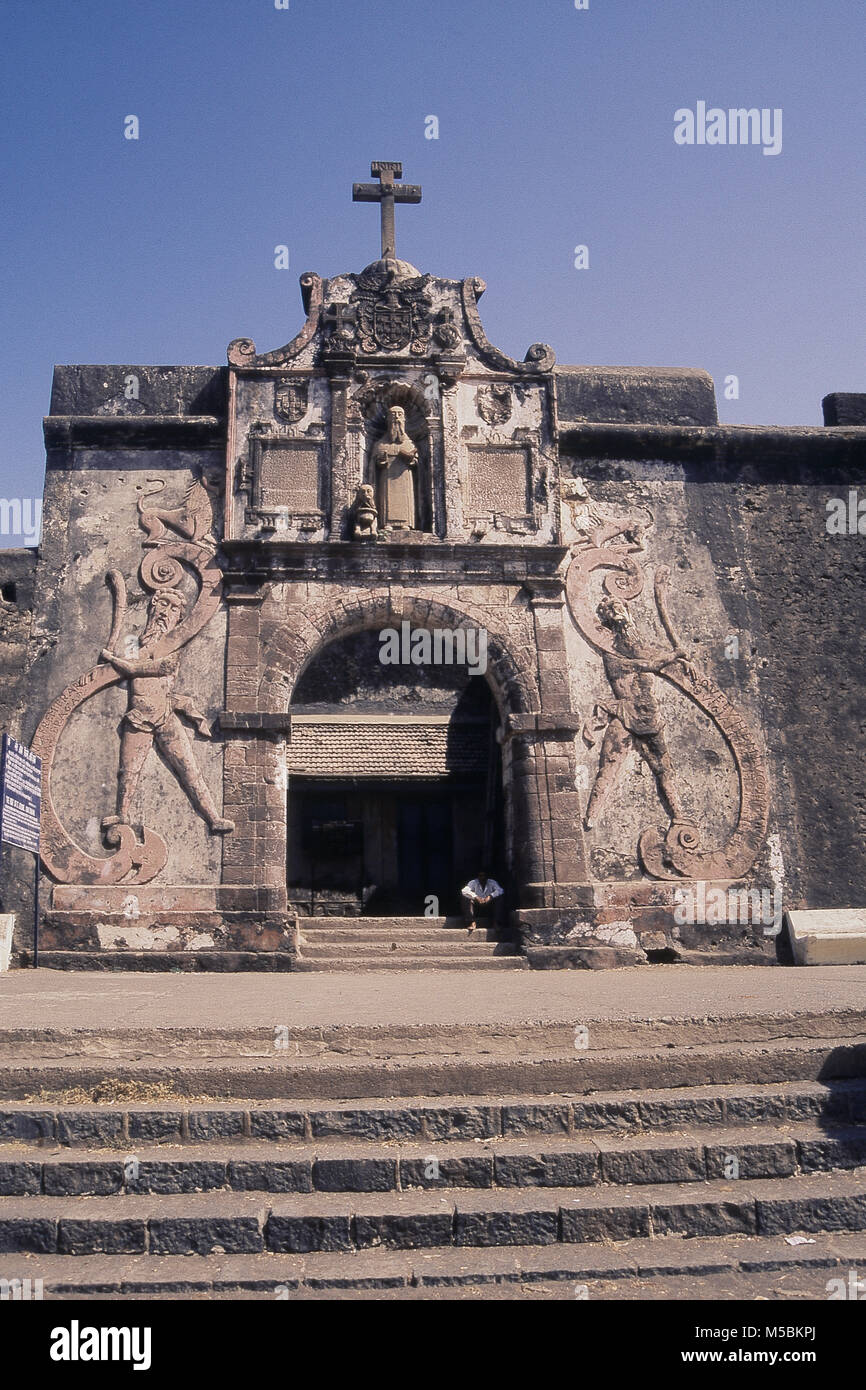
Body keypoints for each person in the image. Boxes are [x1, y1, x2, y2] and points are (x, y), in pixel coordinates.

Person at [461, 870, 504, 936]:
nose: (482, 877)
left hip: (489, 905)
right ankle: (471, 921)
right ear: (478, 877)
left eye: (484, 876)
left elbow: (500, 890)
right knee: (466, 899)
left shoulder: (492, 882)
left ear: (487, 877)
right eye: (480, 876)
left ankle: (496, 923)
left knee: (499, 899)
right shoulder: (473, 882)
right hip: (477, 906)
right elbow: (464, 891)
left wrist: (490, 896)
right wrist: (476, 897)